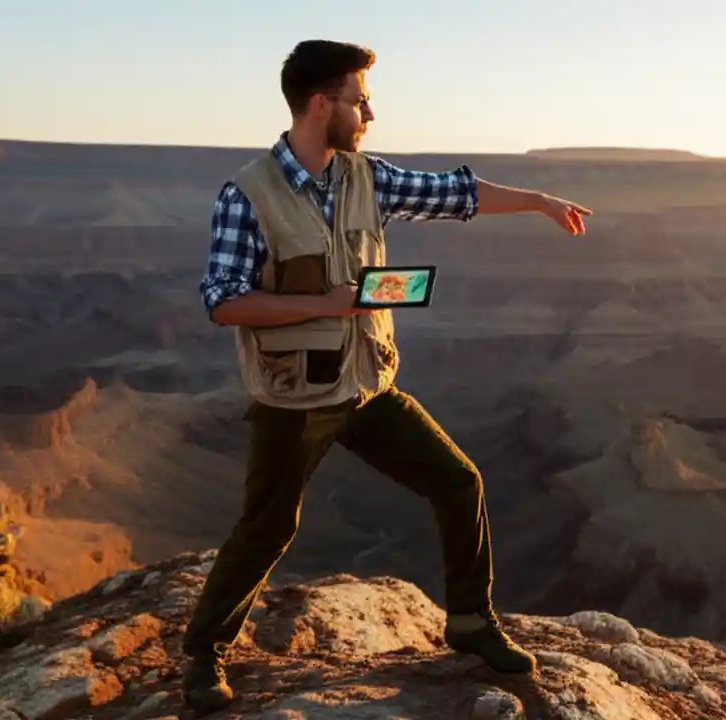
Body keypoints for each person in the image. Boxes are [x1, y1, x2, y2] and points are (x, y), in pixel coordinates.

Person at [182, 38, 591, 713]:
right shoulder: (249, 194)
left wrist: (540, 200)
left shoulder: (364, 177)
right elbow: (223, 302)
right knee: (268, 526)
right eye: (359, 99)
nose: (369, 111)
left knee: (458, 482)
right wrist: (325, 304)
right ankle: (203, 655)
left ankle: (469, 621)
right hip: (295, 397)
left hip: (367, 387)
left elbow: (456, 193)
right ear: (321, 104)